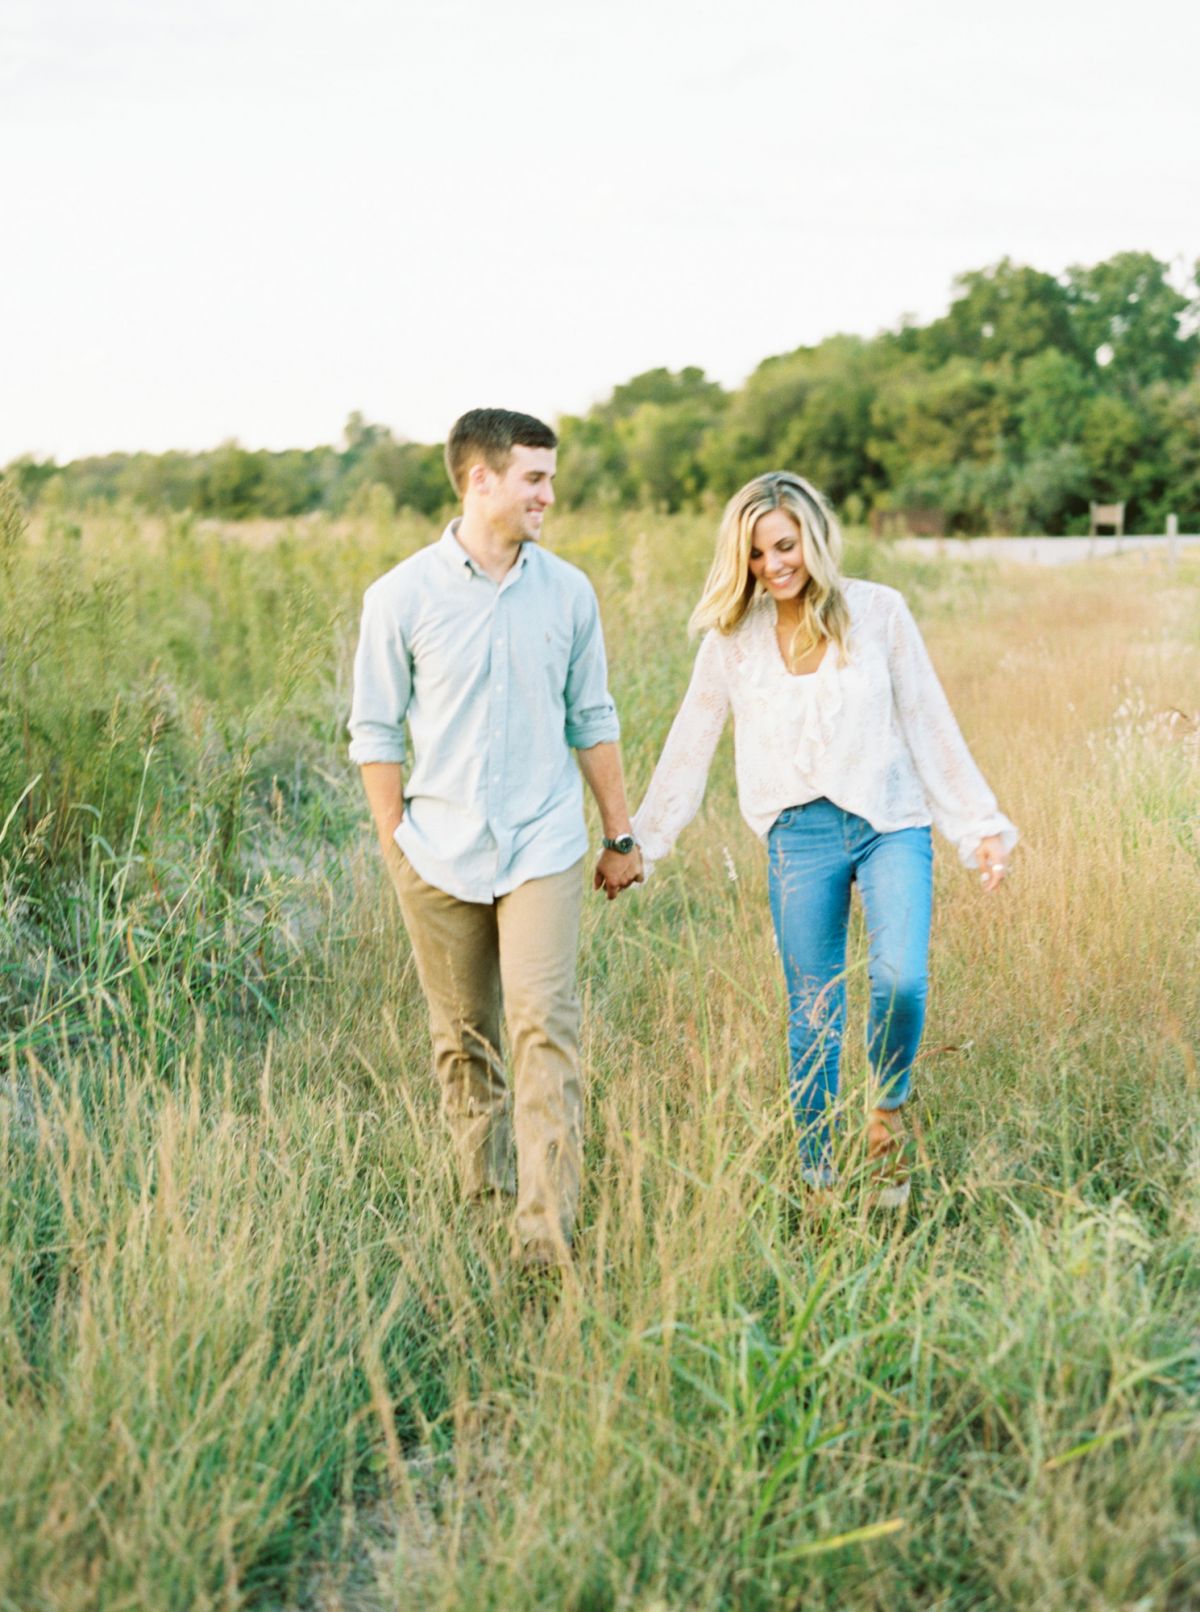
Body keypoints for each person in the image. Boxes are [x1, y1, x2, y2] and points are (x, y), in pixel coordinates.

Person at [626, 471, 1017, 1206]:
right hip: (798, 835)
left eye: (785, 544)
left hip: (890, 822)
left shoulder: (879, 612)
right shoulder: (732, 642)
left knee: (900, 979)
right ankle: (817, 1176)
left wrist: (978, 826)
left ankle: (886, 1114)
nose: (774, 564)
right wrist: (643, 841)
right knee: (813, 1011)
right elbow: (691, 742)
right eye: (754, 554)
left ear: (813, 536)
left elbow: (930, 720)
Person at [348, 408, 644, 1271]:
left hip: (543, 846)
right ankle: (482, 1207)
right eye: (535, 478)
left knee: (544, 1026)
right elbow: (374, 731)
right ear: (482, 480)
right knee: (463, 1038)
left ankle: (543, 1235)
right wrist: (393, 842)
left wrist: (619, 835)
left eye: (549, 477)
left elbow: (592, 718)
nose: (550, 494)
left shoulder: (569, 592)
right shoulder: (400, 596)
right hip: (434, 851)